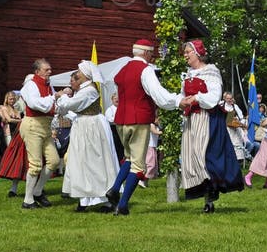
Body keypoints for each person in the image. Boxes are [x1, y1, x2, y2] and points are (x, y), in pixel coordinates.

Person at [107, 39, 186, 216]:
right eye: (151, 53)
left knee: (129, 157)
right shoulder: (145, 70)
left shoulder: (123, 69)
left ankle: (115, 188)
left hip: (121, 120)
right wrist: (177, 101)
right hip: (138, 119)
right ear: (145, 53)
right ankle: (123, 205)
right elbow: (158, 94)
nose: (152, 56)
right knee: (138, 166)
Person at [177, 39, 245, 213]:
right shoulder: (188, 74)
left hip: (207, 118)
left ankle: (211, 193)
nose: (185, 55)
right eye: (185, 53)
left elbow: (214, 97)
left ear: (197, 54)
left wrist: (196, 98)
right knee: (192, 157)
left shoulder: (211, 72)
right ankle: (207, 198)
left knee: (205, 156)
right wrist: (181, 102)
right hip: (191, 119)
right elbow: (183, 95)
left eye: (188, 52)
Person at [56, 61, 119, 212]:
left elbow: (70, 104)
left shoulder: (89, 90)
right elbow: (69, 108)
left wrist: (62, 96)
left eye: (79, 71)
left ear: (86, 74)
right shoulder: (84, 89)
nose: (77, 73)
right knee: (81, 162)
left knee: (95, 162)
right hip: (83, 126)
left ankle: (106, 198)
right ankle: (83, 199)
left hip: (91, 127)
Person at [19, 59, 65, 209]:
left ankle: (37, 191)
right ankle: (28, 200)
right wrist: (54, 97)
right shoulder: (30, 85)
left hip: (45, 125)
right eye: (46, 70)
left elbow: (53, 106)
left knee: (54, 160)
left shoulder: (48, 85)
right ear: (37, 71)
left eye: (50, 69)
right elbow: (36, 104)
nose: (50, 72)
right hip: (33, 124)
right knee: (35, 165)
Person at [221, 92, 247, 165]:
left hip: (235, 130)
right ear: (225, 98)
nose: (229, 100)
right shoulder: (221, 105)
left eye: (231, 98)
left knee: (236, 145)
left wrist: (238, 122)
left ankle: (237, 163)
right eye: (228, 98)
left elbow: (242, 118)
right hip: (224, 129)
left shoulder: (235, 106)